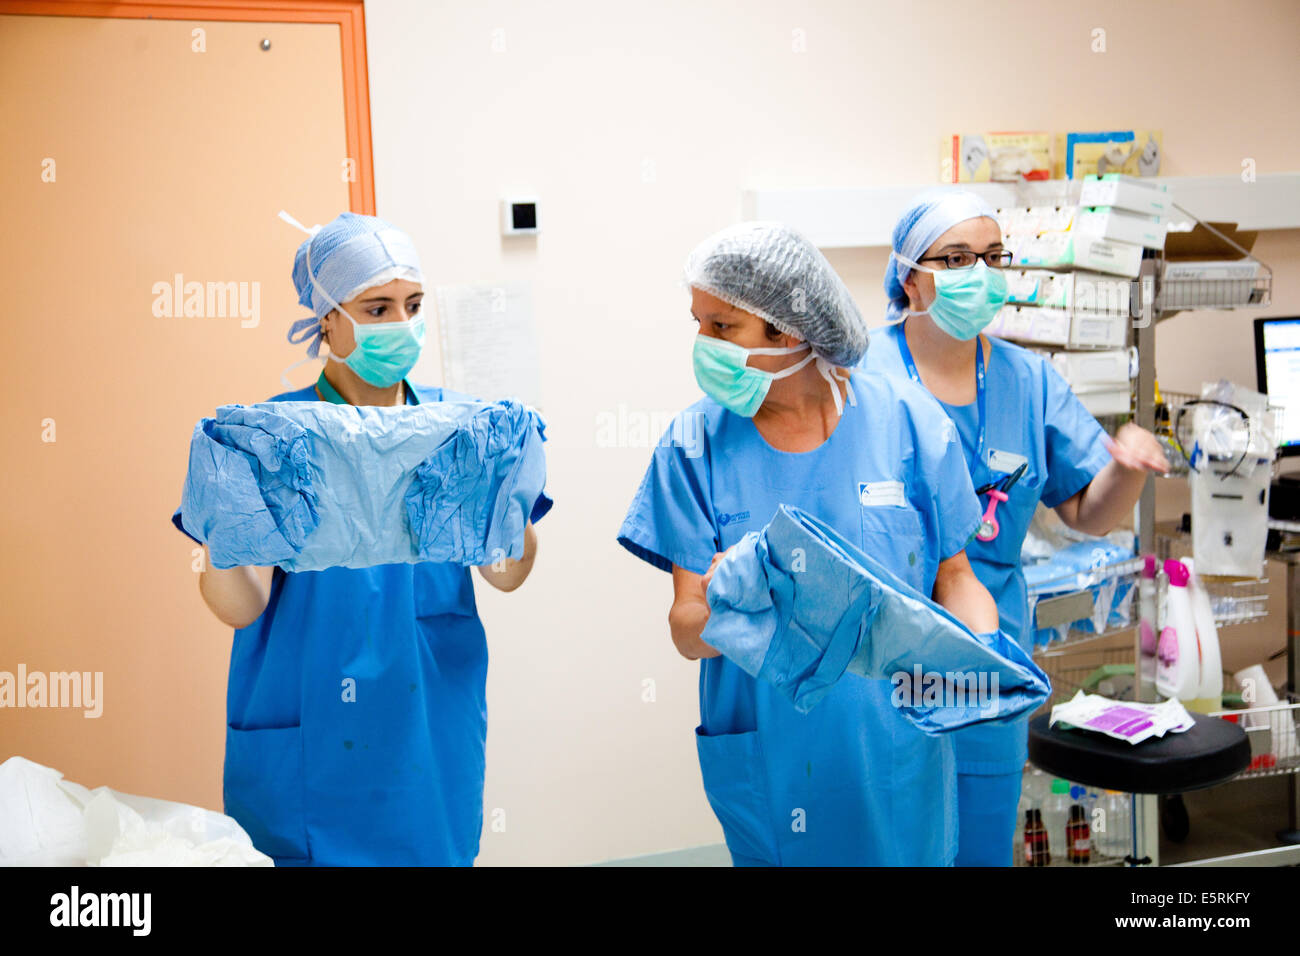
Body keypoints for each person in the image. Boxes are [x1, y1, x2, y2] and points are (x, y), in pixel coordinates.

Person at [617, 221, 1001, 866]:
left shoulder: (906, 419)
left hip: (896, 745)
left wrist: (982, 659)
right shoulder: (694, 445)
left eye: (721, 328)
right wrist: (733, 602)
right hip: (772, 754)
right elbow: (686, 631)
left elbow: (955, 579)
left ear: (787, 328)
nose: (703, 345)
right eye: (699, 325)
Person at [172, 211, 550, 866]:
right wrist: (223, 537)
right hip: (311, 730)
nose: (402, 325)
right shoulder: (273, 438)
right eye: (377, 308)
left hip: (425, 724)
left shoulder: (456, 429)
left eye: (412, 305)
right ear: (328, 319)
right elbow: (242, 607)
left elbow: (507, 574)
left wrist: (504, 506)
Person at [862, 190, 1169, 866]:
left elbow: (1086, 512)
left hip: (988, 650)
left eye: (993, 257)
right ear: (910, 277)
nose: (981, 271)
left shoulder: (1029, 381)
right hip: (883, 650)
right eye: (957, 257)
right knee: (885, 831)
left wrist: (1128, 469)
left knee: (979, 834)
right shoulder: (863, 377)